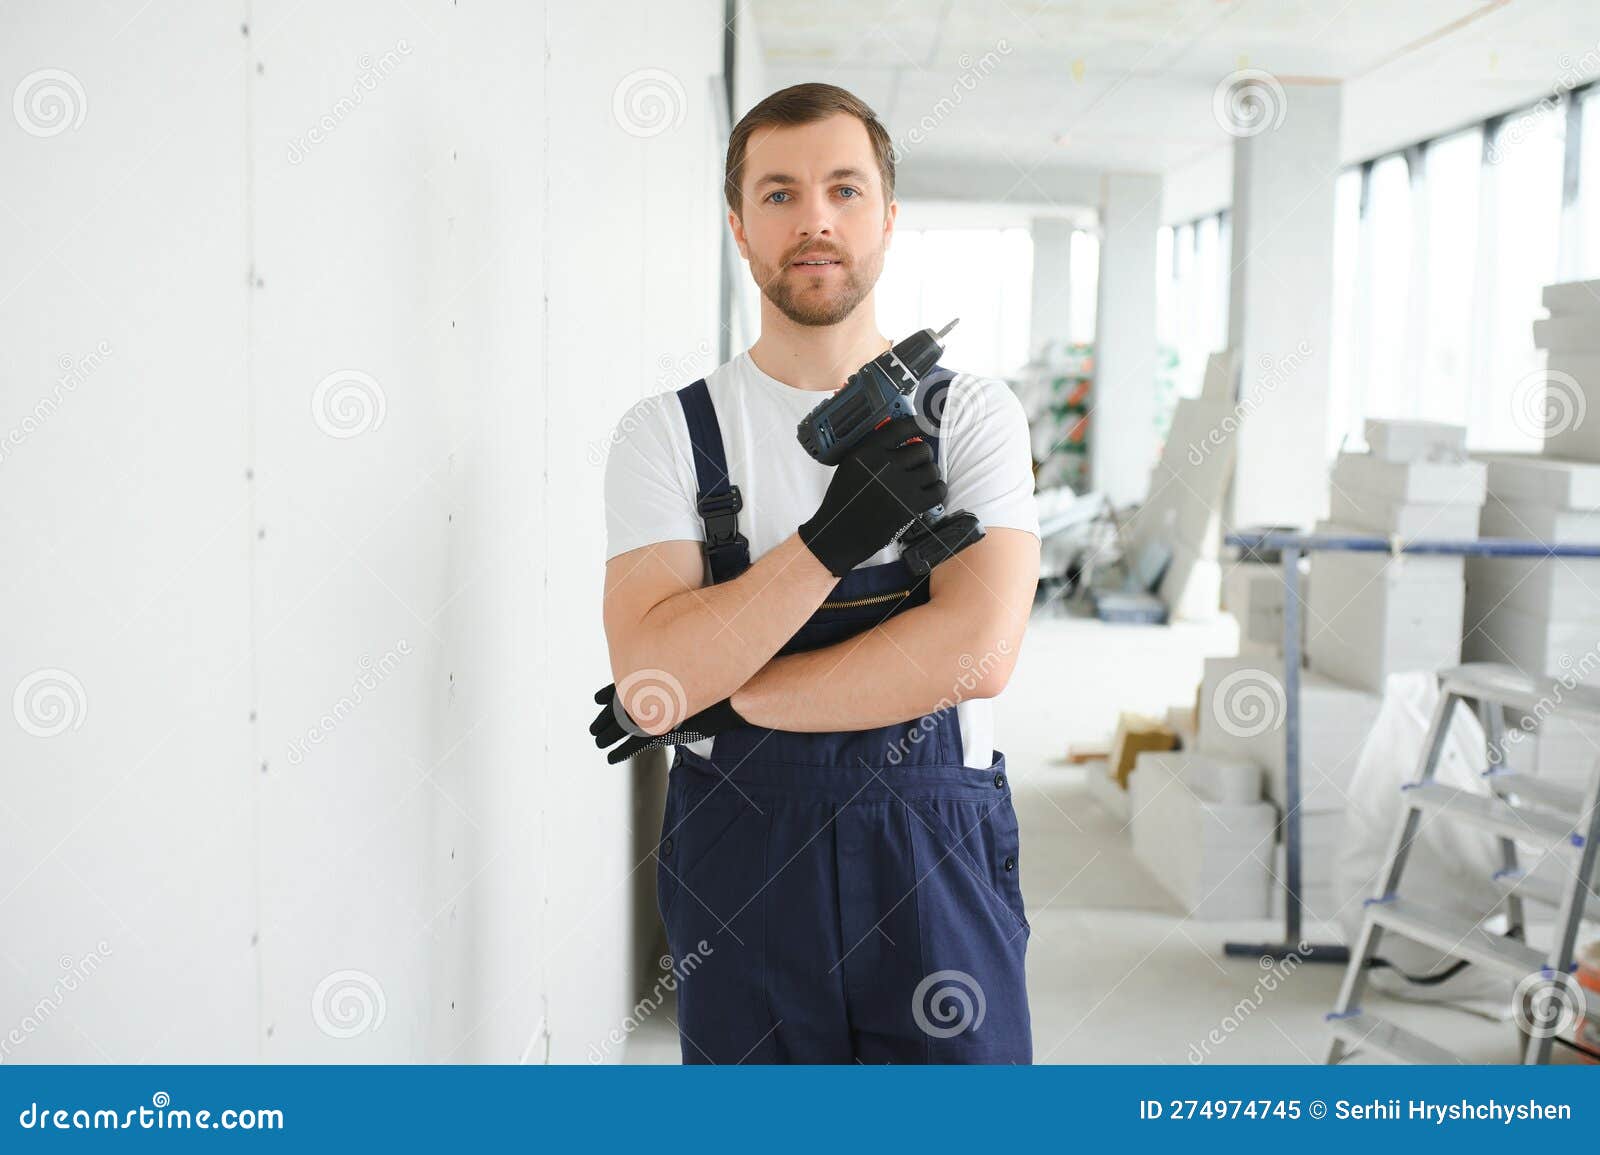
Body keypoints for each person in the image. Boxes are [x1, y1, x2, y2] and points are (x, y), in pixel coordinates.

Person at [593, 82, 1040, 1064]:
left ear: (886, 216)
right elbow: (652, 680)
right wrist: (827, 544)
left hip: (929, 851)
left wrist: (731, 692)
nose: (815, 220)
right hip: (739, 855)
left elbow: (976, 652)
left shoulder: (970, 417)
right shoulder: (665, 434)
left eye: (844, 188)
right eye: (779, 194)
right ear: (739, 228)